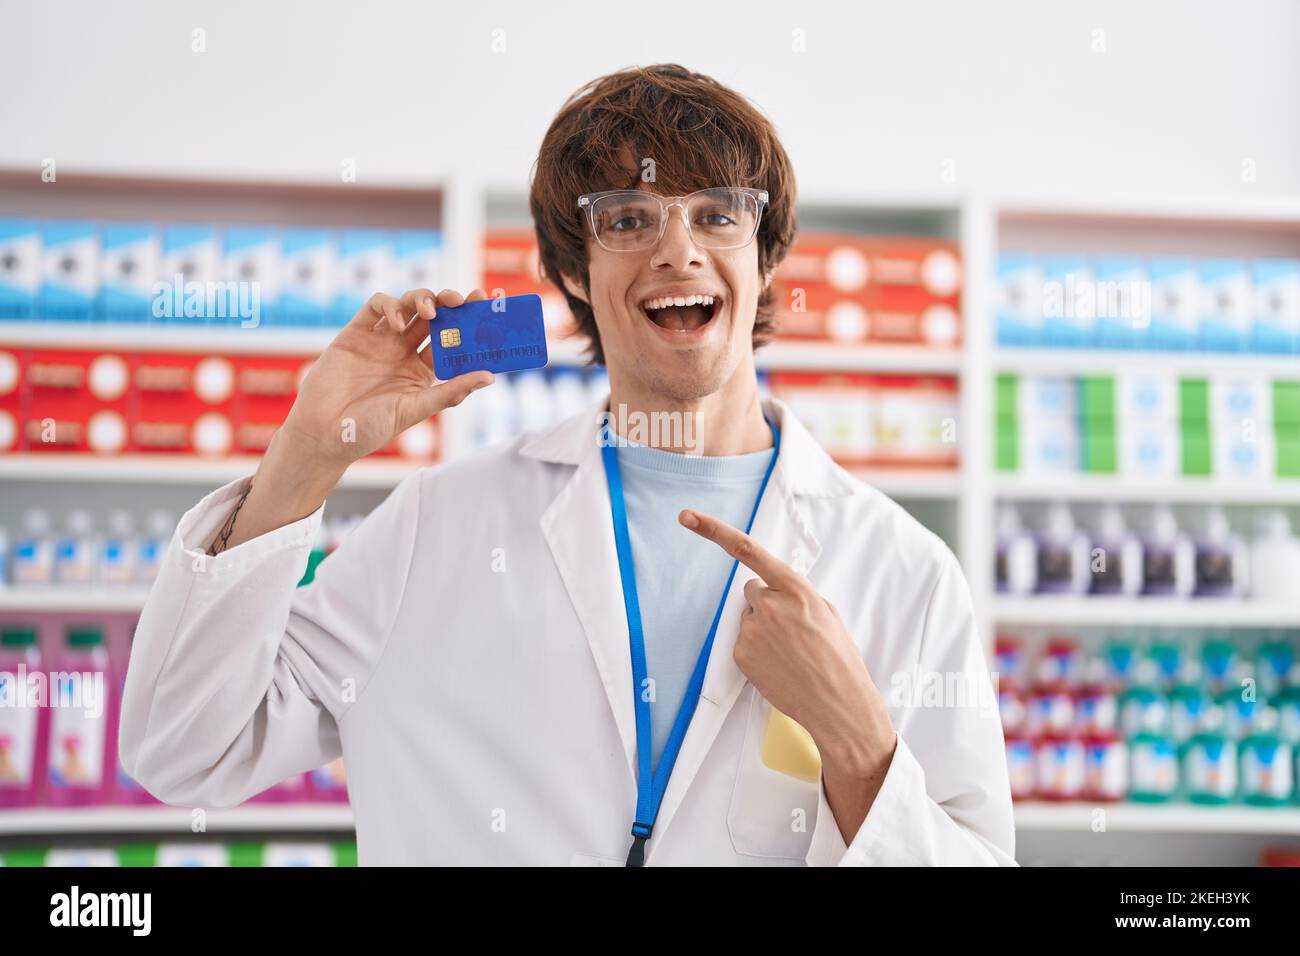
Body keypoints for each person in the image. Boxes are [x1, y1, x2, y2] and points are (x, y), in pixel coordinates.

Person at [119, 63, 1014, 866]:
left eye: (718, 214)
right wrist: (308, 455)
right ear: (574, 273)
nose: (678, 249)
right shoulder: (439, 528)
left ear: (765, 253)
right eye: (628, 219)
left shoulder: (902, 571)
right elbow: (181, 746)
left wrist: (860, 752)